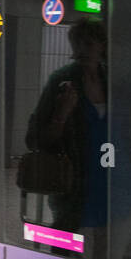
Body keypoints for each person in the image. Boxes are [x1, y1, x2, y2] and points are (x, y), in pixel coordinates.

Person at [24, 17, 109, 235]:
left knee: (106, 244)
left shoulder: (113, 80)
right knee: (70, 245)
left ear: (102, 45)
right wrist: (62, 112)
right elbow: (35, 138)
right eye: (77, 43)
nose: (82, 49)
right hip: (74, 183)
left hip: (111, 180)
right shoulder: (62, 81)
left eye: (88, 43)